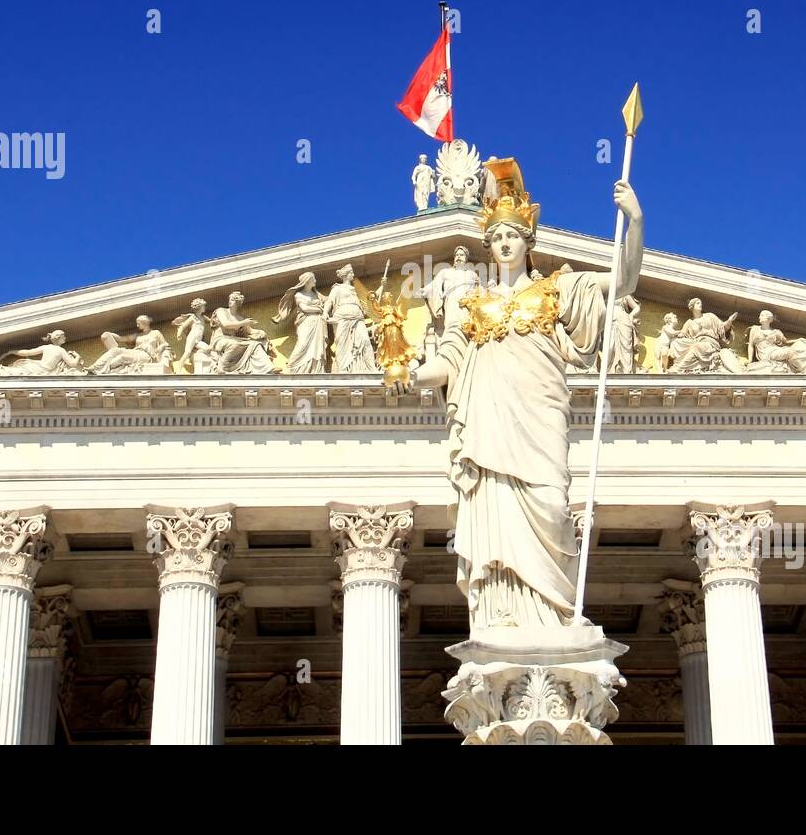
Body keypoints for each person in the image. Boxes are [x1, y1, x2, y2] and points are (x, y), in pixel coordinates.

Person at [386, 160, 644, 629]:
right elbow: (450, 362)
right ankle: (504, 618)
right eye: (498, 238)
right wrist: (412, 375)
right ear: (488, 246)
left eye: (513, 236)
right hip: (490, 430)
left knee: (550, 505)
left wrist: (636, 221)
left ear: (528, 242)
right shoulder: (472, 307)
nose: (505, 244)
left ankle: (553, 618)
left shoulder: (557, 289)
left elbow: (623, 282)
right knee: (496, 518)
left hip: (540, 421)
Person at [324, 264, 379, 373]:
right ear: (346, 275)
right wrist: (325, 312)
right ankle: (343, 369)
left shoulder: (354, 290)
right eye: (351, 273)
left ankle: (370, 368)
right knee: (342, 343)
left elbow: (368, 301)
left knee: (365, 340)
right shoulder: (337, 288)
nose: (353, 275)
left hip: (357, 318)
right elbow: (329, 301)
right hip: (342, 318)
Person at [272, 273, 328, 373]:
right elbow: (304, 308)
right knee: (303, 343)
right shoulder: (299, 295)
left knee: (317, 347)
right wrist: (318, 309)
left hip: (318, 322)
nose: (315, 280)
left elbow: (329, 300)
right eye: (313, 279)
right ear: (307, 281)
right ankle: (293, 366)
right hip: (306, 322)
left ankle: (316, 369)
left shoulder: (317, 294)